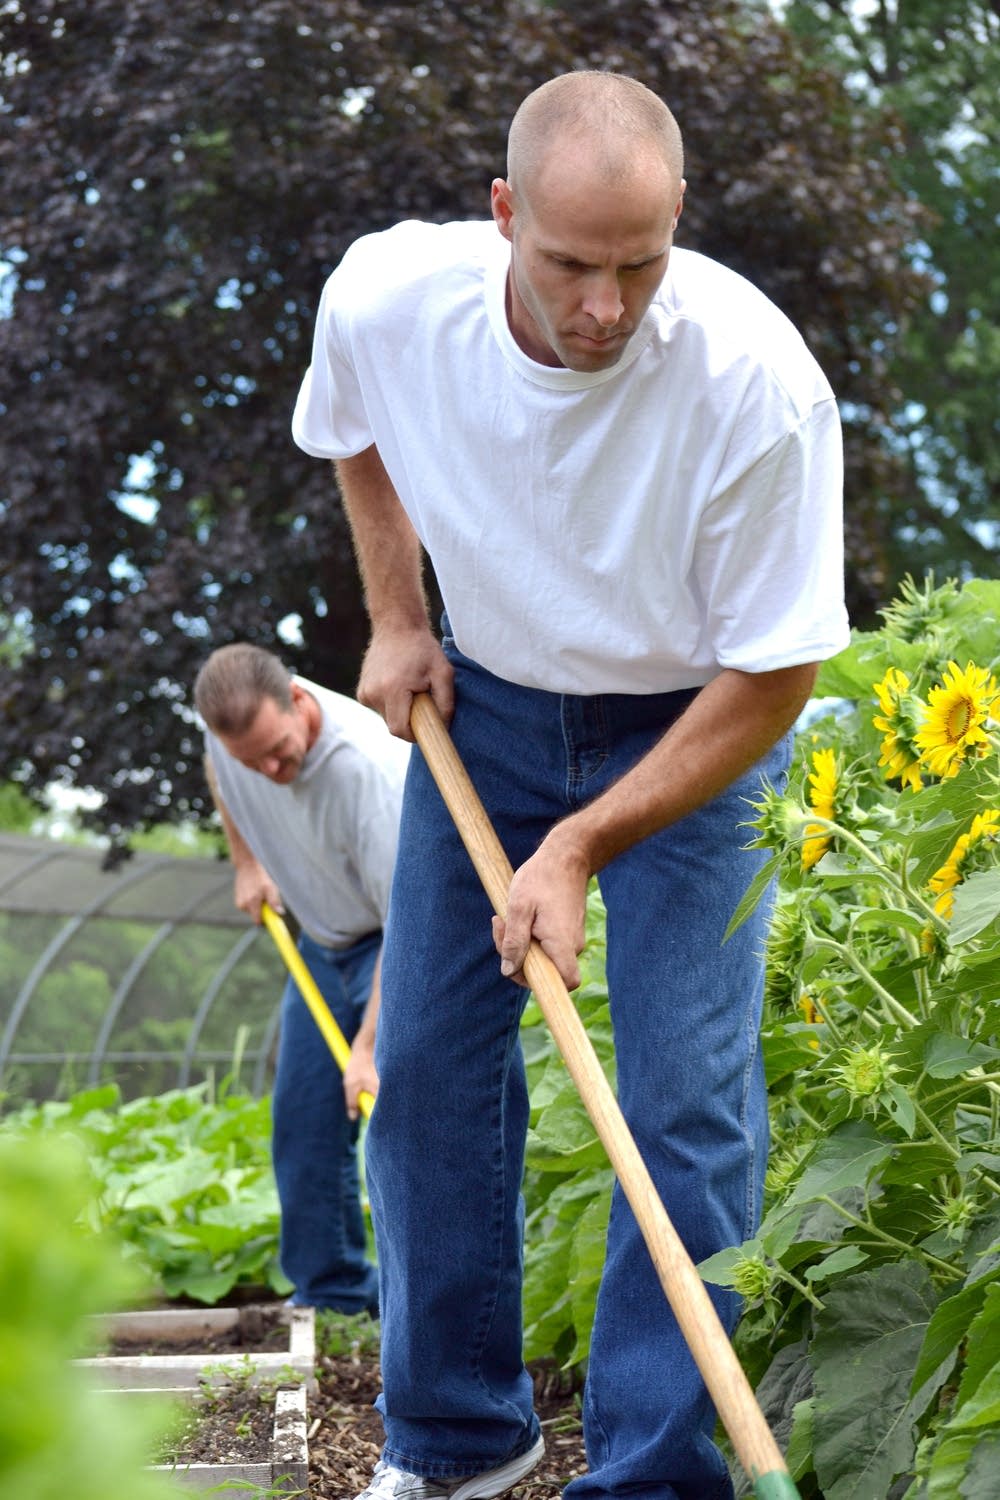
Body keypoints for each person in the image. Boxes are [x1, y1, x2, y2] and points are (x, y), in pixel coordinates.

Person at [292, 70, 850, 1500]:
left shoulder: (758, 384)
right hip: (495, 713)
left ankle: (657, 1476)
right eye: (569, 265)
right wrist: (399, 615)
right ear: (502, 218)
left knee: (683, 1108)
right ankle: (458, 1445)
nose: (606, 307)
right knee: (416, 1072)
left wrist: (586, 845)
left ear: (680, 230)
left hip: (693, 731)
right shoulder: (390, 299)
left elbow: (772, 680)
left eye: (638, 266)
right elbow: (351, 424)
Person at [193, 643, 409, 1317]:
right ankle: (336, 1295)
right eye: (251, 760)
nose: (269, 769)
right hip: (319, 942)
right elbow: (216, 767)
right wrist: (245, 861)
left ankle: (424, 1309)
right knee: (304, 1122)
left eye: (279, 750)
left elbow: (408, 926)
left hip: (393, 945)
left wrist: (369, 1047)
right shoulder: (230, 735)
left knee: (406, 1122)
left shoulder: (367, 772)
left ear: (298, 698)